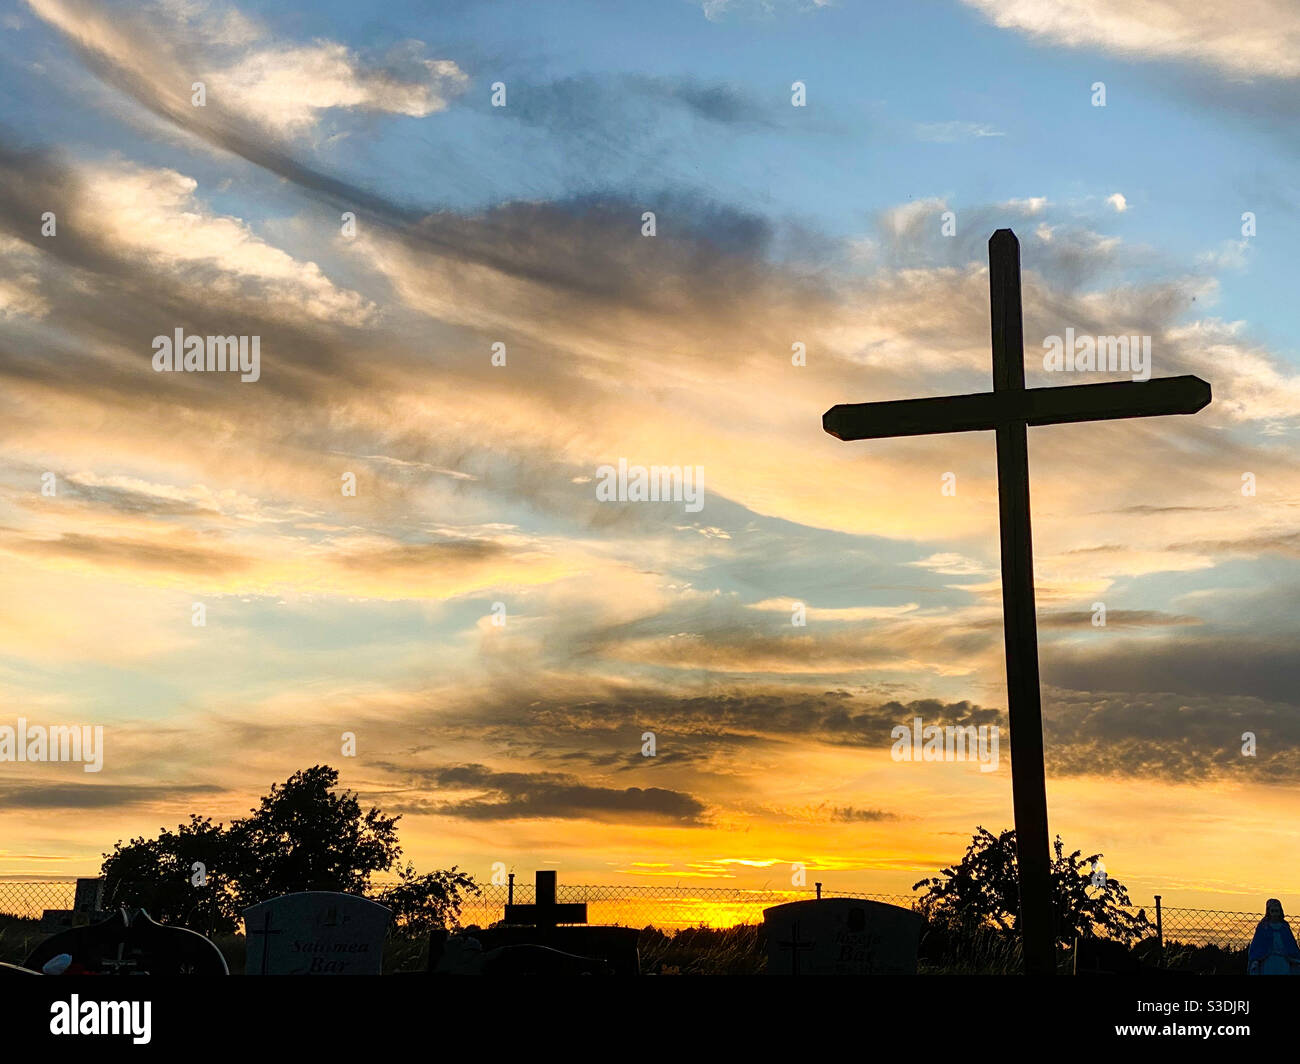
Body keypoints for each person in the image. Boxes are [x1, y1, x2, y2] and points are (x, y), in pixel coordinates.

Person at [1247, 899, 1300, 975]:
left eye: (1277, 911)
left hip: (1283, 962)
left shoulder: (1284, 928)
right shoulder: (1263, 927)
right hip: (1268, 962)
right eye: (1272, 911)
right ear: (1269, 912)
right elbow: (1257, 946)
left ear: (1280, 912)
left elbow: (1291, 946)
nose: (1275, 914)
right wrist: (1255, 960)